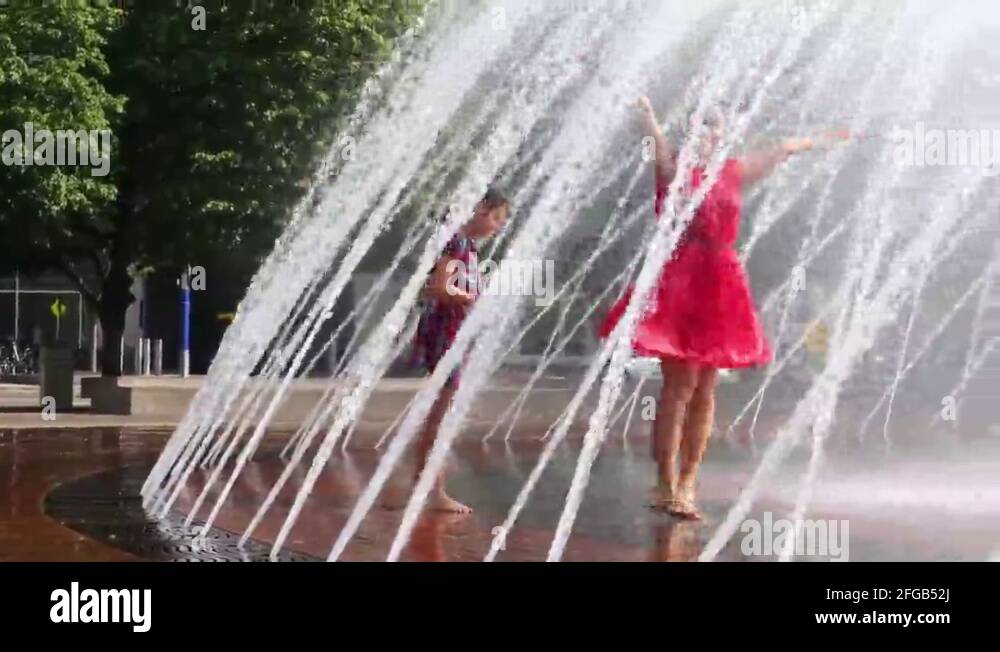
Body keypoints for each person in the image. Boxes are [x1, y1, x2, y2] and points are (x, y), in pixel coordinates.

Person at [601, 97, 847, 519]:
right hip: (681, 279)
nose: (708, 137)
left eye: (714, 131)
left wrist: (822, 139)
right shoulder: (674, 169)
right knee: (678, 388)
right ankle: (666, 481)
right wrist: (650, 118)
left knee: (705, 390)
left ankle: (690, 482)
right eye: (700, 130)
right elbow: (655, 140)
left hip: (722, 280)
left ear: (721, 137)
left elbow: (781, 149)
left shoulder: (733, 171)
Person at [410, 188, 510, 513]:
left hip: (451, 333)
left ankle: (429, 480)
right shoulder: (457, 243)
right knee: (440, 414)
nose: (497, 225)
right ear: (479, 208)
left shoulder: (466, 247)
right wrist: (474, 300)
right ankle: (432, 489)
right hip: (446, 334)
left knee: (442, 412)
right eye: (496, 216)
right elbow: (439, 288)